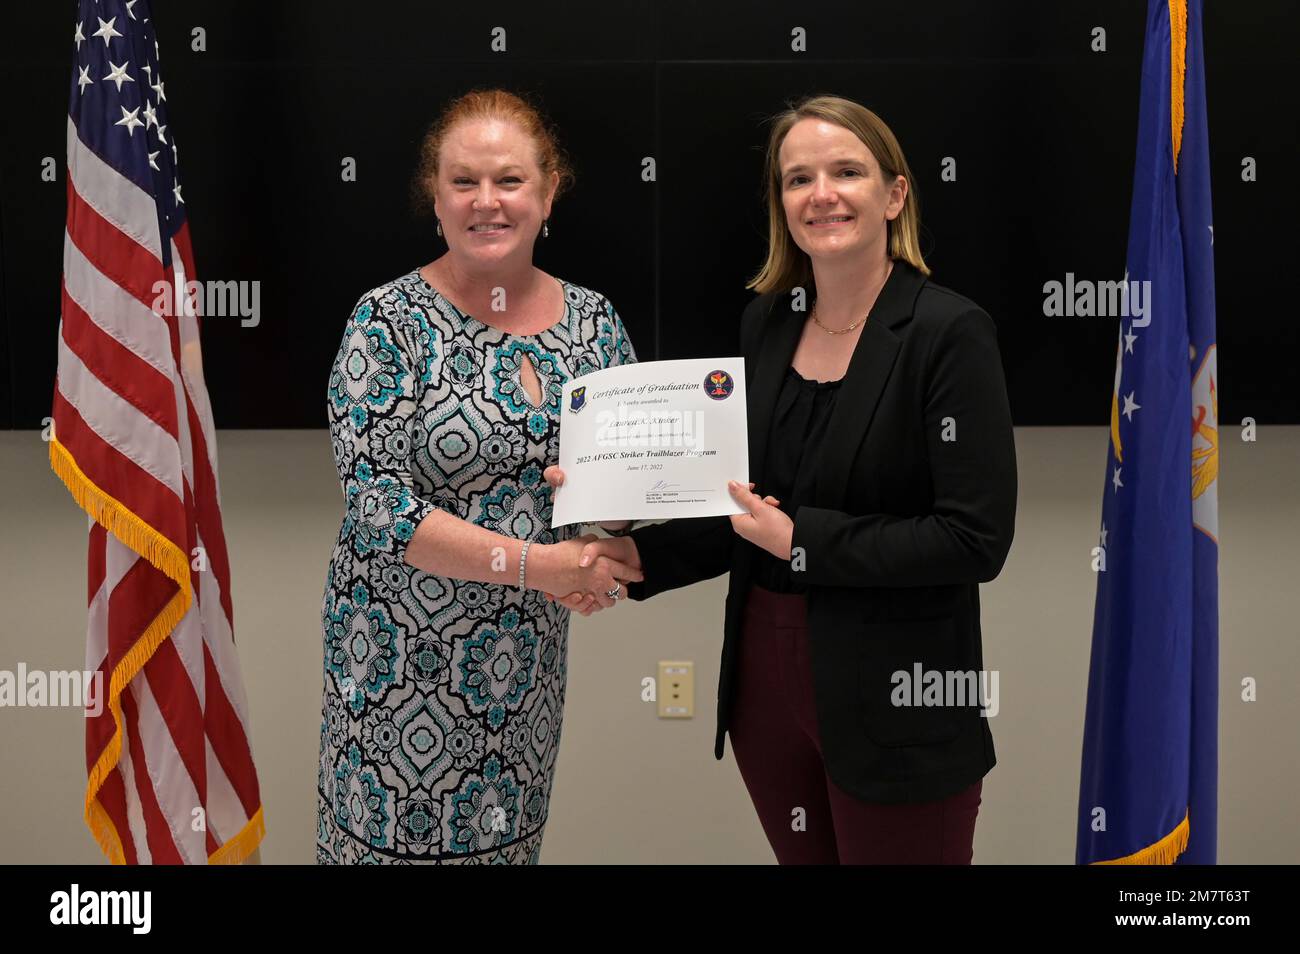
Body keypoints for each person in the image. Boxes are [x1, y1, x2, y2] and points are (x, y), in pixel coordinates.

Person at [548, 94, 1017, 864]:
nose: (821, 193)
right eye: (798, 179)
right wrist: (638, 556)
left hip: (897, 698)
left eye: (846, 171)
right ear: (781, 204)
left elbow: (974, 539)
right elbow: (744, 505)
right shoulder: (767, 322)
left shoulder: (948, 333)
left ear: (894, 194)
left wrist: (805, 541)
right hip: (764, 683)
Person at [317, 89, 640, 864]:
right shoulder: (386, 322)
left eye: (509, 180)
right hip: (395, 674)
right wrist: (540, 565)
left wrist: (614, 545)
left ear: (548, 191)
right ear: (435, 197)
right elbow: (379, 507)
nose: (486, 202)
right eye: (464, 182)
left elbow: (624, 483)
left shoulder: (595, 324)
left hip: (520, 670)